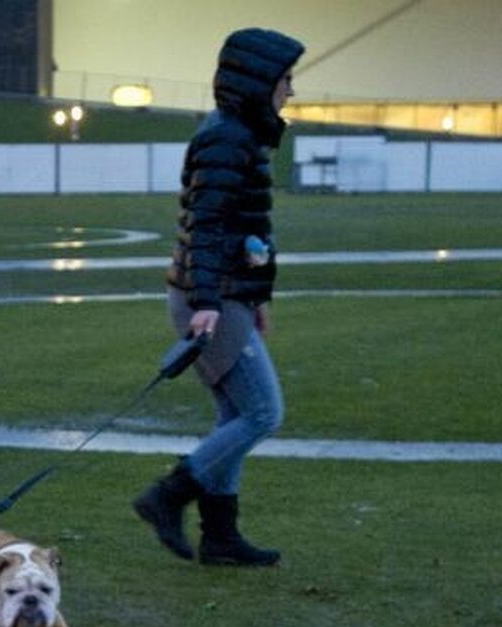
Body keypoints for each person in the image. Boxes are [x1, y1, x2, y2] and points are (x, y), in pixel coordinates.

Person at [133, 27, 304, 568]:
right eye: (286, 80)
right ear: (258, 81)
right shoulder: (225, 140)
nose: (291, 91)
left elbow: (237, 229)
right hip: (209, 298)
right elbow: (206, 227)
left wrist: (254, 300)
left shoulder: (237, 135)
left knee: (235, 412)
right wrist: (210, 300)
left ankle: (221, 537)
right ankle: (167, 496)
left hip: (227, 296)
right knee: (263, 412)